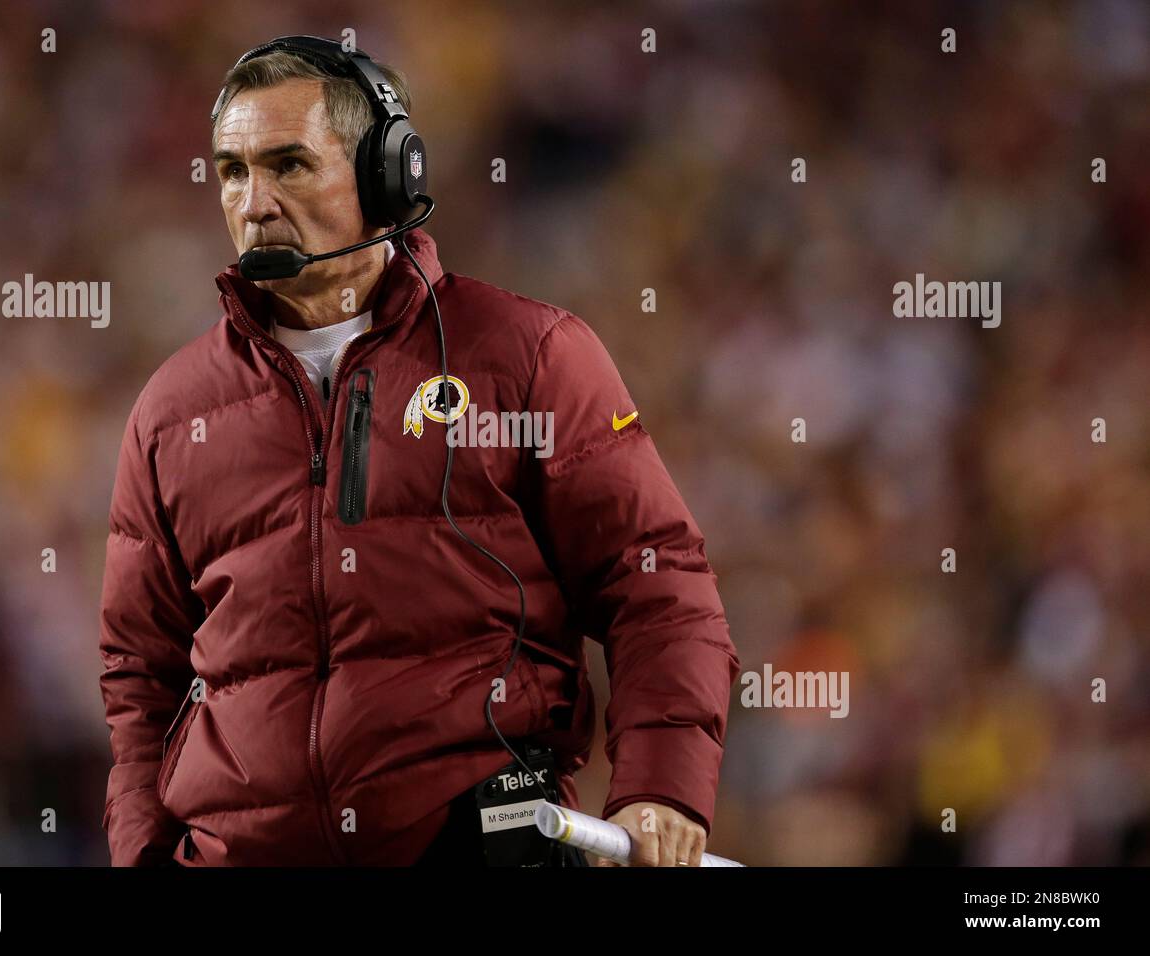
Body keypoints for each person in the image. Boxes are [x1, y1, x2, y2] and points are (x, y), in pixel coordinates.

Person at [98, 35, 740, 867]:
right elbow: (139, 677)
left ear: (386, 175)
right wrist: (144, 854)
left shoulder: (528, 354)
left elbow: (656, 583)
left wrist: (661, 783)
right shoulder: (169, 410)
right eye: (231, 169)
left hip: (477, 844)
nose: (253, 201)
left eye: (288, 164)